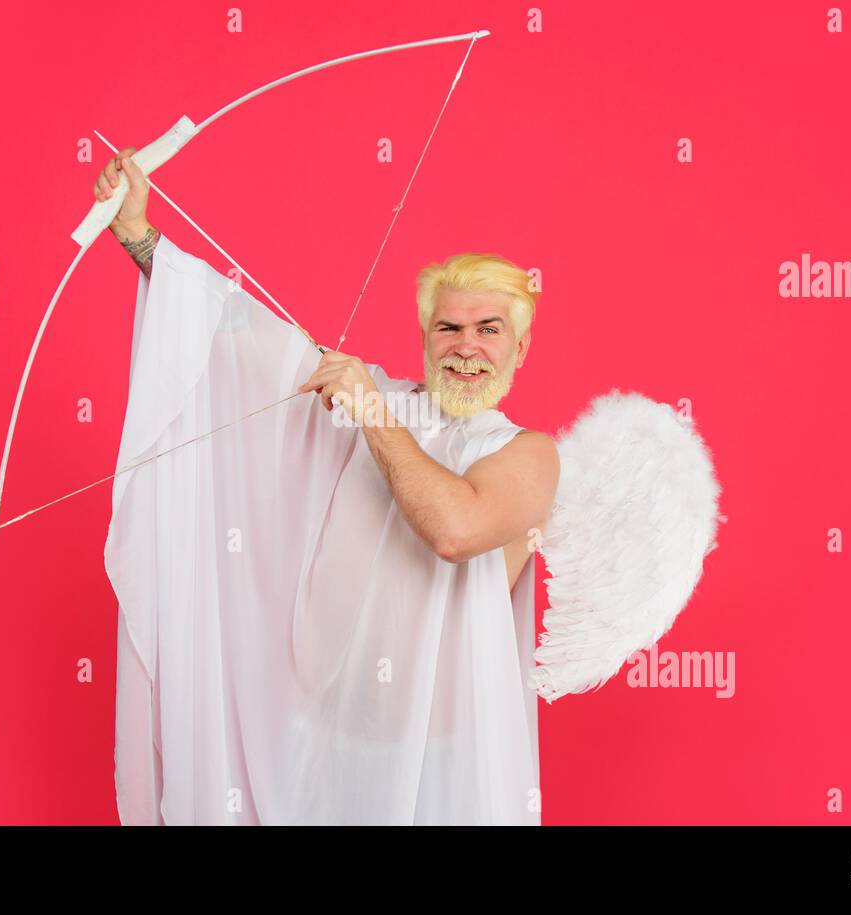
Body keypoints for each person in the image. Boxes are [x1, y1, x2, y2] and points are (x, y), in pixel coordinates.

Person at [97, 148, 559, 825]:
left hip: (439, 760)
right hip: (319, 741)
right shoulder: (377, 398)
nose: (467, 346)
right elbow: (246, 339)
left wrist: (369, 408)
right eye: (449, 327)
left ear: (520, 346)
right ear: (426, 337)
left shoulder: (526, 454)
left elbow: (454, 530)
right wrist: (141, 235)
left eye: (489, 330)